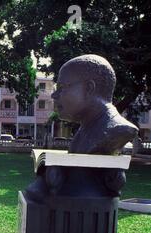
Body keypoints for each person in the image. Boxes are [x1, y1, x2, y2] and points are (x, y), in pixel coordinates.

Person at [25, 54, 138, 201]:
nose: (54, 95)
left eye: (61, 87)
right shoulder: (86, 128)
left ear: (89, 88)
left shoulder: (117, 129)